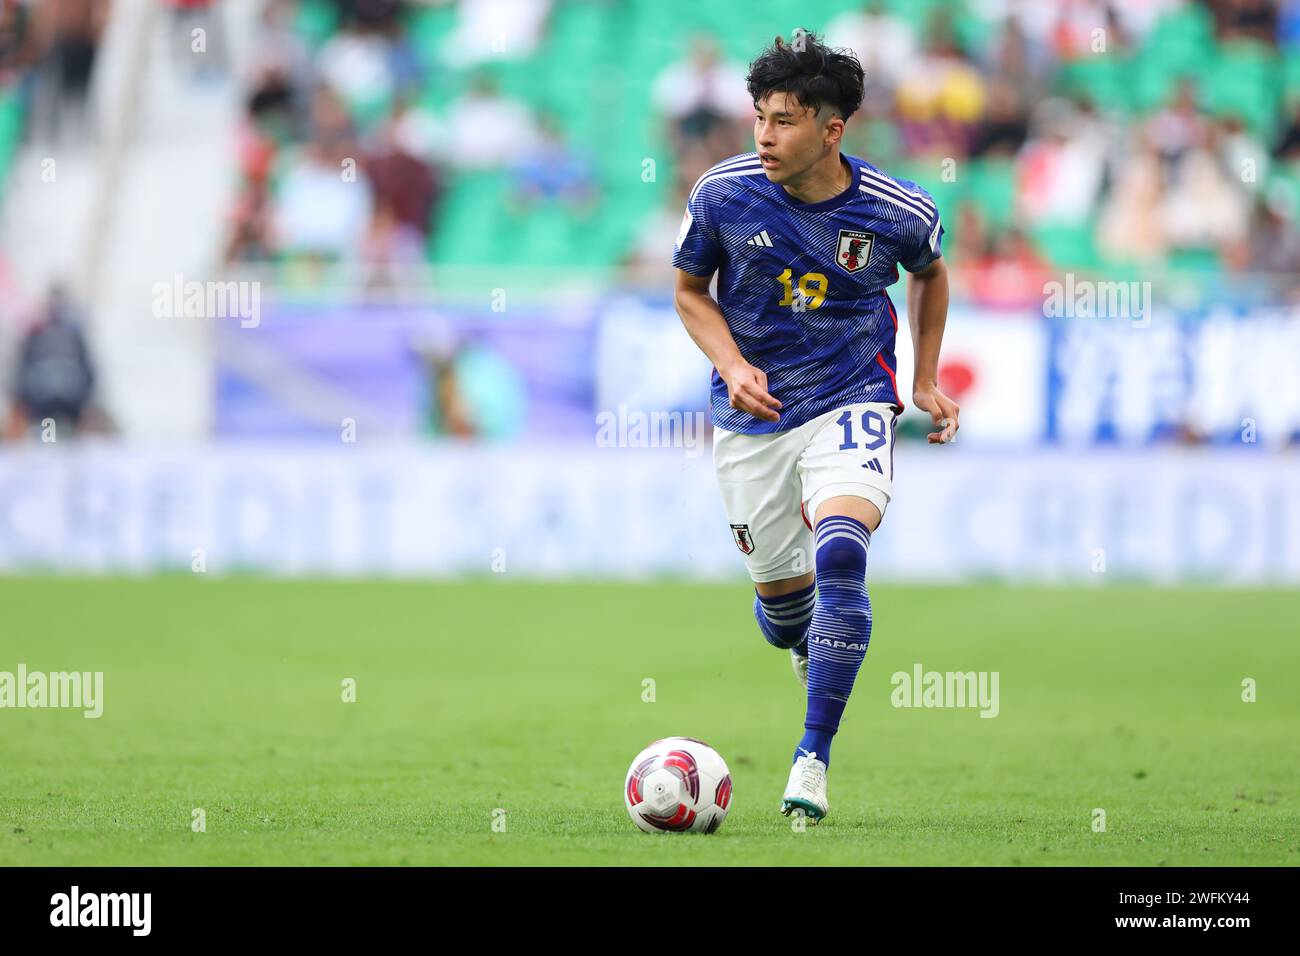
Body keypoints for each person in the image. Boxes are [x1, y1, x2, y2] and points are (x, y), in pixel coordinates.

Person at [671, 31, 960, 823]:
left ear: (832, 130)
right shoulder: (724, 194)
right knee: (783, 616)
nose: (764, 135)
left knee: (841, 552)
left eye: (785, 121)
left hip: (853, 394)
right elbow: (690, 291)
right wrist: (731, 364)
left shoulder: (897, 211)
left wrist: (926, 377)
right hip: (753, 415)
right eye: (759, 118)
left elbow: (931, 275)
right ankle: (807, 641)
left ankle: (812, 759)